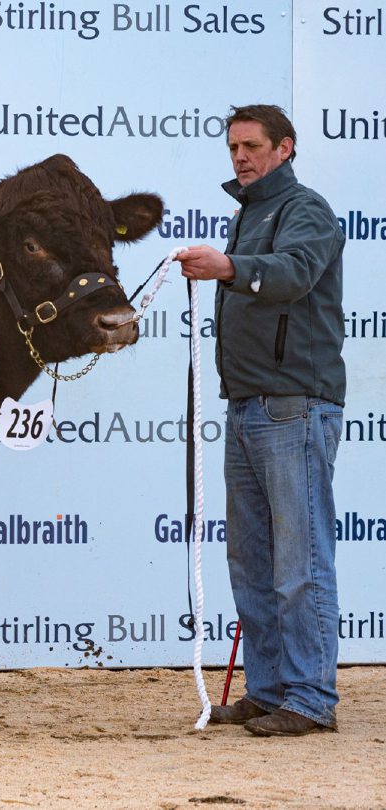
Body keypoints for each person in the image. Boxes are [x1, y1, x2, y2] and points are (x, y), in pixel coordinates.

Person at [179, 104, 345, 737]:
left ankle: (309, 697)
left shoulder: (305, 209)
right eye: (233, 148)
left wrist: (230, 268)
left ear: (286, 148)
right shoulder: (251, 213)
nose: (240, 156)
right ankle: (271, 688)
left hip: (293, 404)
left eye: (251, 145)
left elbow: (296, 273)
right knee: (252, 560)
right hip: (251, 404)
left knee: (299, 560)